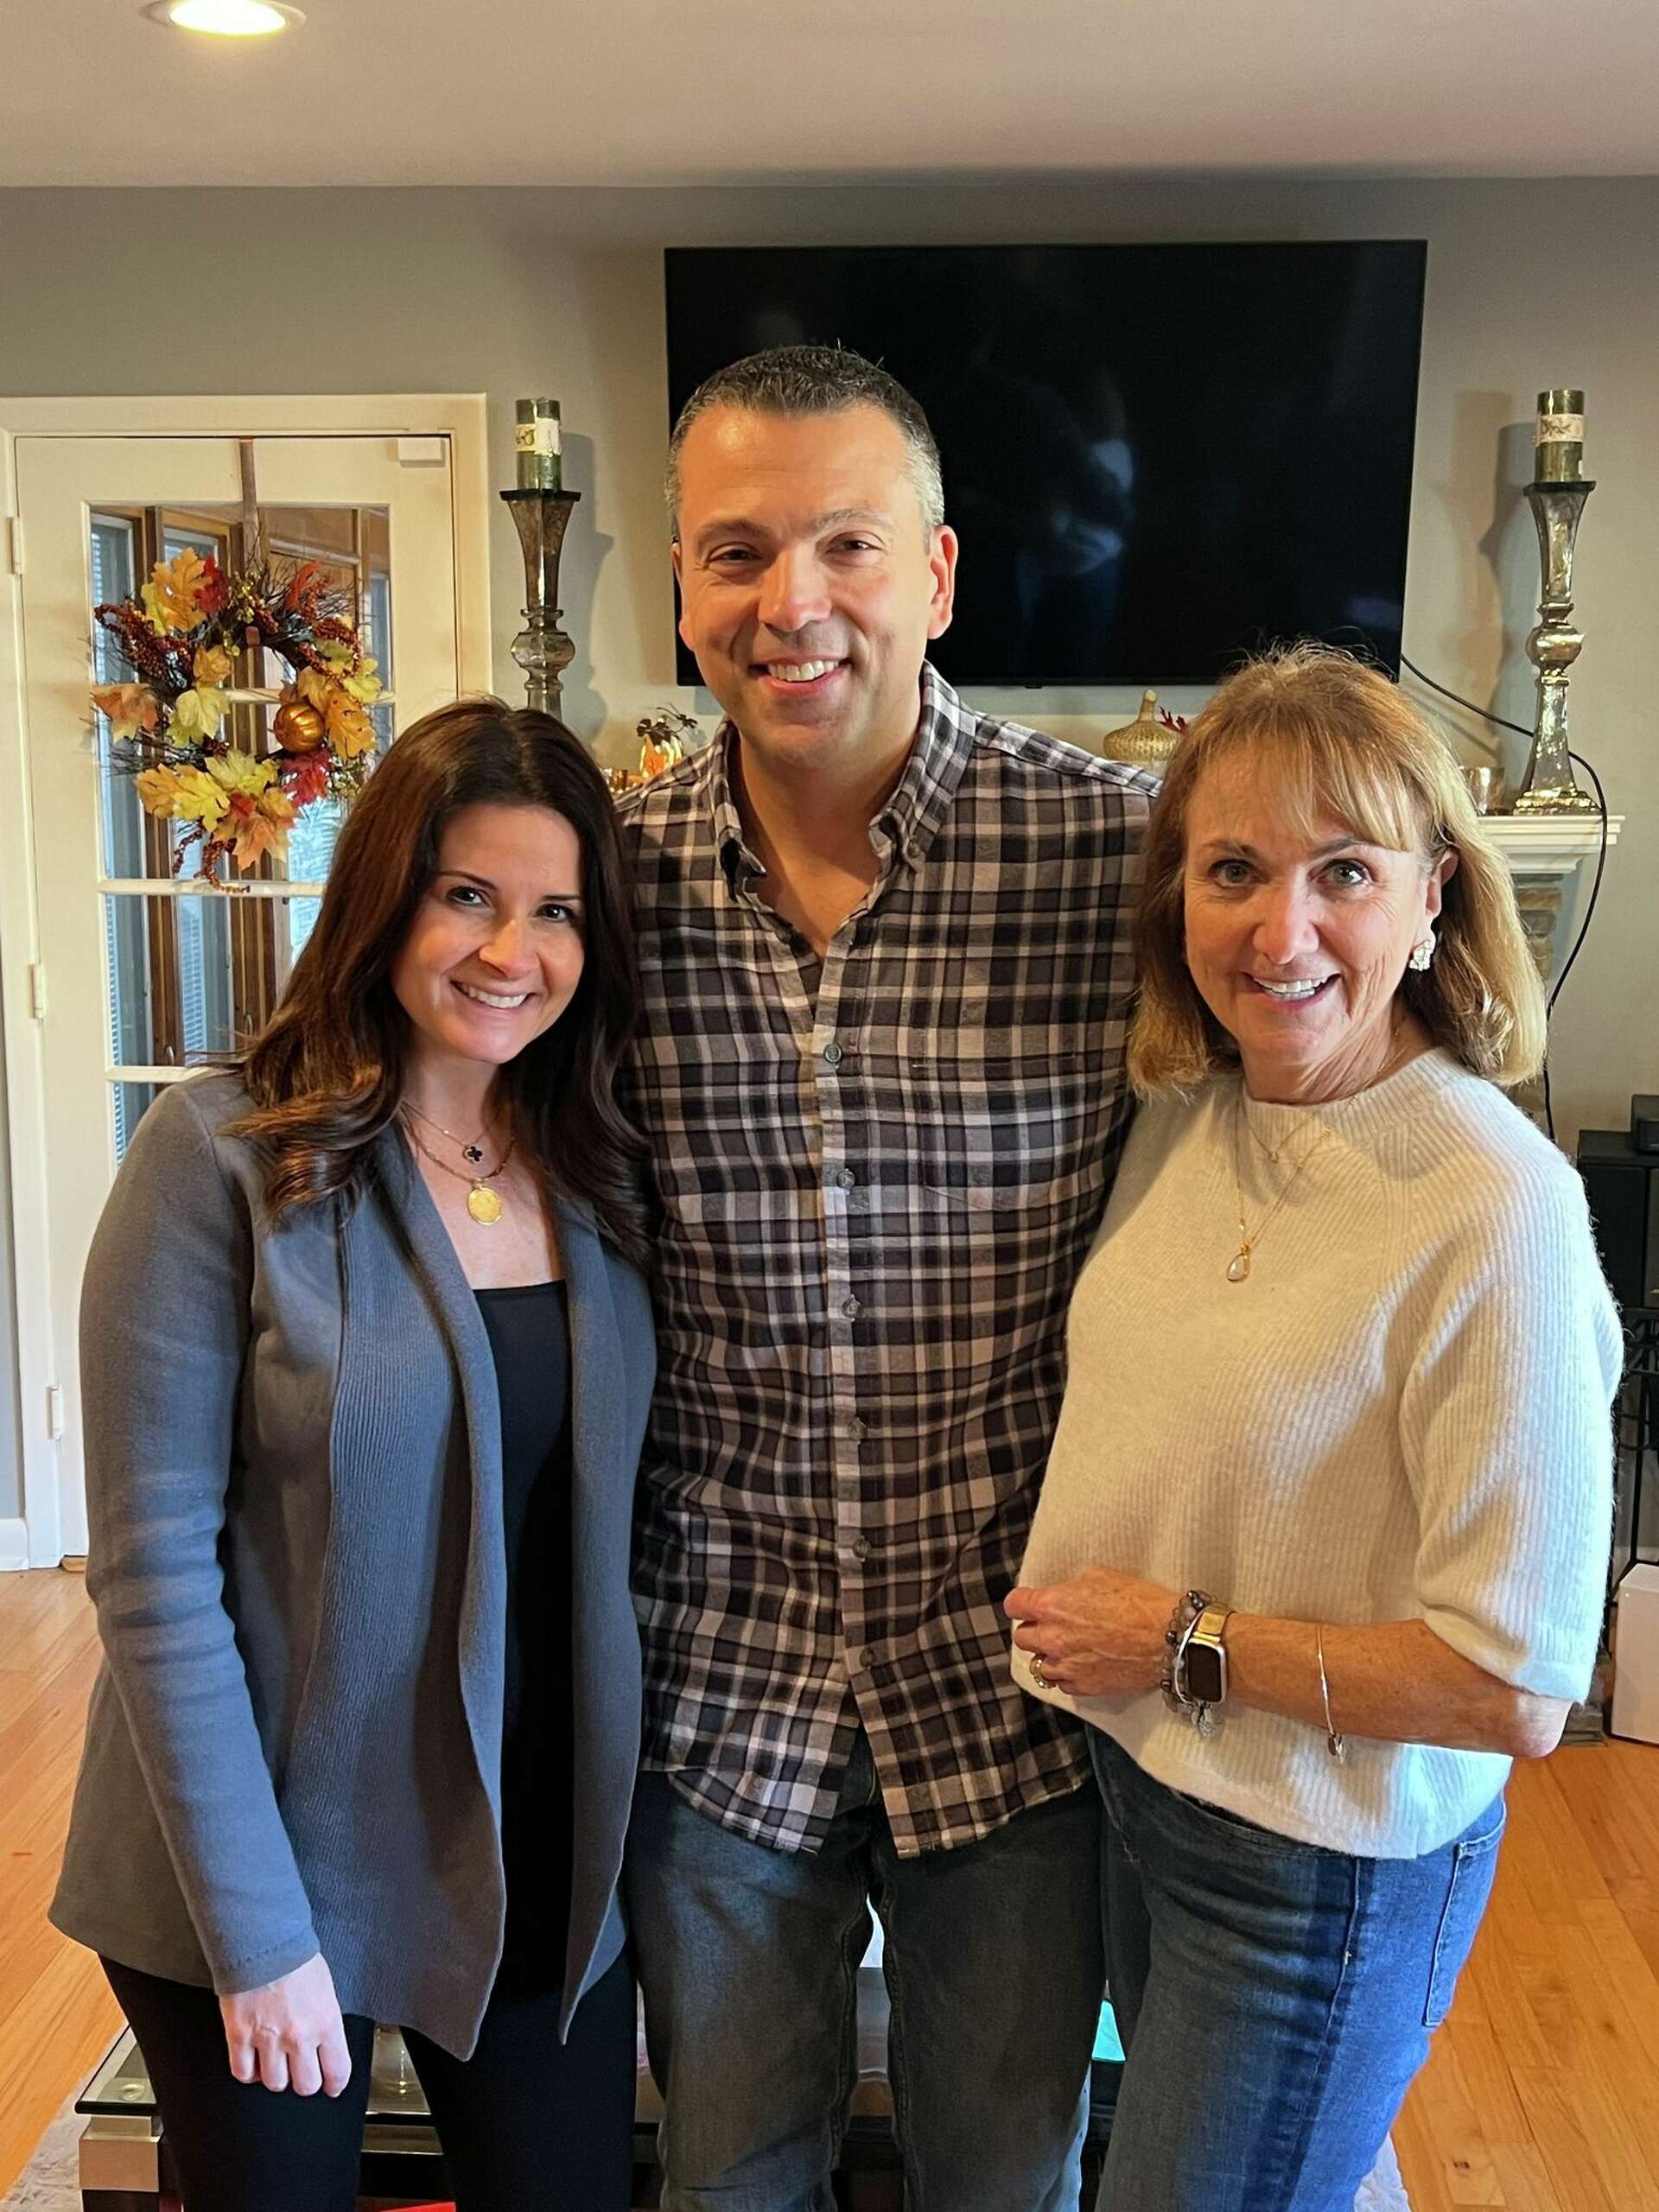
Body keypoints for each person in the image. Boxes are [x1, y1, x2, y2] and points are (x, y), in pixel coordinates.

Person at [615, 343, 1154, 2211]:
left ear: (933, 575)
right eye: (737, 551)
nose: (792, 603)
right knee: (726, 2177)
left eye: (846, 543)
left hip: (1011, 1683)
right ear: (680, 585)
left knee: (1007, 2176)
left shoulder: (1115, 858)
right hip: (716, 1688)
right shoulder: (600, 895)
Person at [1008, 643, 1620, 2212]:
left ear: (1431, 900)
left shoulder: (1497, 1209)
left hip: (1322, 1876)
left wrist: (1181, 1642)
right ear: (1178, 904)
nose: (1283, 932)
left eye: (1343, 870)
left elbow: (1515, 1689)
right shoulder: (1187, 1118)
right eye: (1235, 871)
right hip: (1146, 1804)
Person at [50, 701, 655, 2212]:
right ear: (384, 893)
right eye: (468, 895)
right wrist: (258, 1938)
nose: (511, 951)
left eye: (557, 911)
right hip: (259, 1862)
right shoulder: (222, 1154)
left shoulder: (598, 1163)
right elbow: (151, 1575)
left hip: (527, 1842)